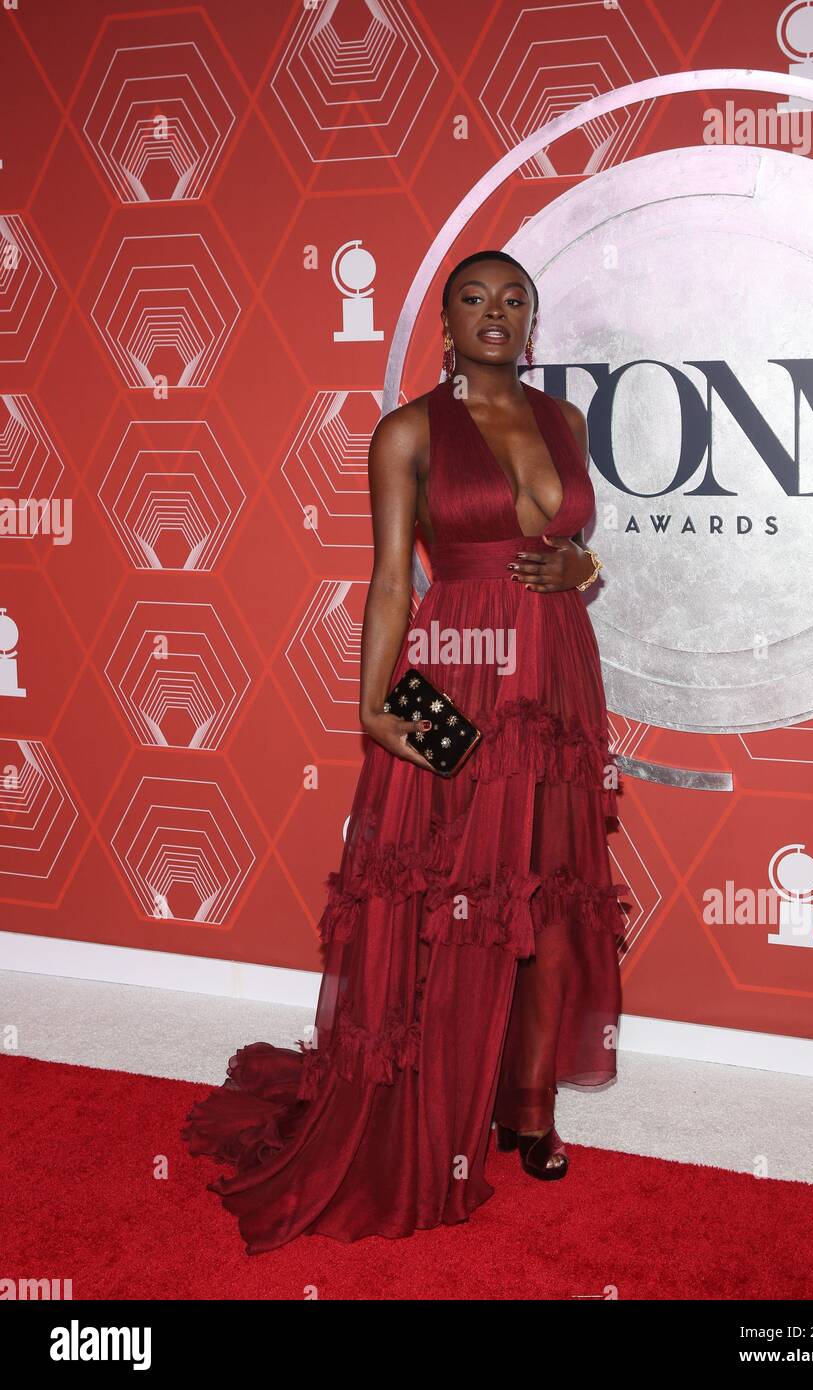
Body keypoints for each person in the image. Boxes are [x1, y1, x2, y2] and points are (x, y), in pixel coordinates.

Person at [180, 250, 629, 1253]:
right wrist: (376, 704)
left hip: (556, 675)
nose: (496, 314)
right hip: (452, 677)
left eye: (514, 299)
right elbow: (391, 580)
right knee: (445, 900)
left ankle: (529, 1110)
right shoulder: (410, 430)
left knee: (550, 897)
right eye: (474, 298)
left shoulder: (567, 422)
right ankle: (443, 1120)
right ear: (447, 321)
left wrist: (580, 561)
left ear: (534, 319)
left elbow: (579, 541)